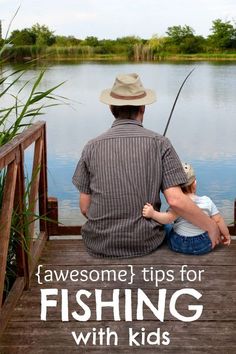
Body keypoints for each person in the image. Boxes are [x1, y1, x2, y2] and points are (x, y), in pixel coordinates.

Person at [72, 73, 220, 258]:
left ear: (111, 107)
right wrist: (211, 225)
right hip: (146, 242)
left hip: (98, 243)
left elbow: (85, 208)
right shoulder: (160, 143)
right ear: (143, 107)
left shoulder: (91, 146)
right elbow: (175, 200)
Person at [143, 162, 231, 255]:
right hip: (203, 245)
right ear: (195, 184)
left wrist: (152, 213)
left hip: (179, 244)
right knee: (213, 222)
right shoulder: (207, 201)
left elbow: (166, 219)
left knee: (167, 227)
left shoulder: (178, 204)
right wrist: (226, 235)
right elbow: (218, 220)